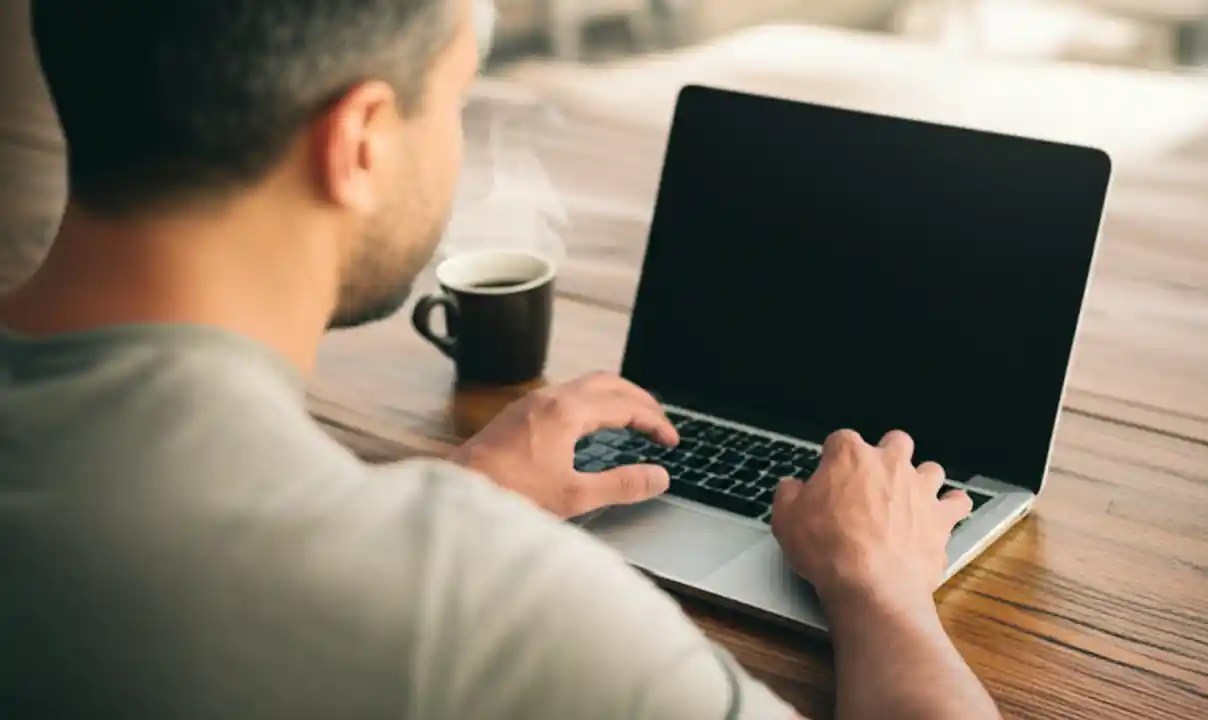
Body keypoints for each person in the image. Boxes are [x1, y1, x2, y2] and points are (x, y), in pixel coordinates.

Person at [0, 1, 1001, 718]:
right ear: (357, 141)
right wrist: (878, 589)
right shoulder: (474, 607)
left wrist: (446, 493)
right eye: (451, 101)